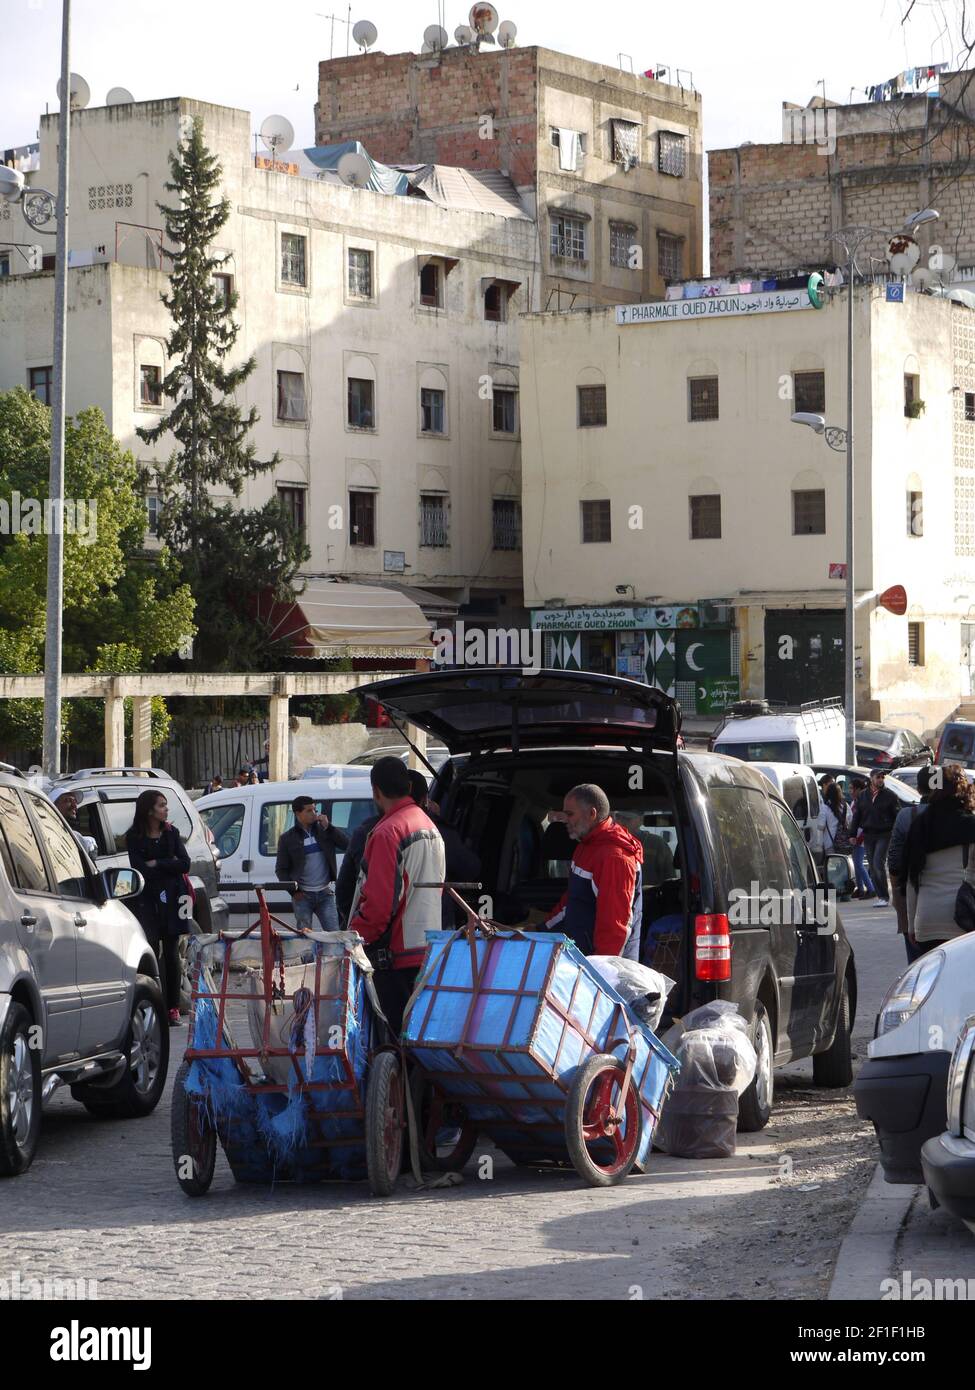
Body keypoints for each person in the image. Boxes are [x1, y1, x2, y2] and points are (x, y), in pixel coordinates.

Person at [347, 757, 445, 1036]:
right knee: (415, 1043)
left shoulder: (388, 832)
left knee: (389, 1046)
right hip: (424, 951)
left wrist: (349, 941)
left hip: (393, 960)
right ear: (409, 786)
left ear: (376, 791)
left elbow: (378, 907)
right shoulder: (428, 825)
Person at [544, 783, 643, 961]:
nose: (565, 819)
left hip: (606, 972)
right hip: (583, 961)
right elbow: (573, 901)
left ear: (592, 813)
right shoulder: (586, 846)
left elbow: (615, 928)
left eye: (570, 814)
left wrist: (599, 974)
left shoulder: (614, 857)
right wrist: (541, 929)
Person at [125, 788, 192, 1026]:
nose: (166, 809)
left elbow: (185, 864)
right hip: (147, 900)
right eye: (162, 805)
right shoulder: (133, 836)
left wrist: (158, 863)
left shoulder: (172, 833)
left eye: (166, 805)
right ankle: (151, 1004)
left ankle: (173, 1007)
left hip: (172, 898)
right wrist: (167, 864)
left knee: (172, 953)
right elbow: (139, 868)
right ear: (149, 809)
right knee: (151, 951)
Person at [905, 763, 975, 955]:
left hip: (927, 921)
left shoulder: (920, 824)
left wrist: (911, 924)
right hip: (962, 918)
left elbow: (912, 881)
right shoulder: (970, 824)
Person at [407, 770, 482, 928]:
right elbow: (471, 868)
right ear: (425, 799)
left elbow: (348, 890)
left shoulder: (371, 830)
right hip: (434, 926)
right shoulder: (437, 831)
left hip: (391, 937)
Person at [275, 795, 349, 932]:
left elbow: (347, 845)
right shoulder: (287, 838)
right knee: (305, 939)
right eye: (309, 811)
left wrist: (329, 827)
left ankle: (332, 955)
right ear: (298, 813)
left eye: (315, 810)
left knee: (334, 935)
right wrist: (294, 891)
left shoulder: (324, 831)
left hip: (325, 893)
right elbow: (281, 869)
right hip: (303, 896)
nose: (314, 814)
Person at [888, 765, 932, 963]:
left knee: (916, 963)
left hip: (910, 894)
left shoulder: (906, 816)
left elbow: (894, 860)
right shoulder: (959, 817)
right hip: (950, 903)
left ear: (919, 789)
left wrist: (897, 896)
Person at [849, 769, 899, 905]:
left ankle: (884, 897)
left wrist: (896, 832)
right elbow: (857, 816)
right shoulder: (863, 796)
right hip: (868, 834)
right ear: (871, 778)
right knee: (872, 864)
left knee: (878, 863)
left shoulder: (890, 796)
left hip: (884, 833)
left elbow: (897, 816)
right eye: (878, 777)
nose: (881, 780)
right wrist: (852, 834)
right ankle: (880, 896)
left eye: (882, 777)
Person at [847, 777, 875, 899]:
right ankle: (860, 888)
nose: (850, 791)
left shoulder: (864, 803)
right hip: (855, 836)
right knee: (856, 862)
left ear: (858, 789)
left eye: (852, 789)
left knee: (858, 863)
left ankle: (870, 888)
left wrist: (860, 837)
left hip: (862, 836)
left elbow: (867, 821)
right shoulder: (854, 802)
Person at [53, 790, 99, 857]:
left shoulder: (77, 838)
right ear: (53, 806)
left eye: (75, 801)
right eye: (68, 800)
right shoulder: (48, 834)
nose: (75, 806)